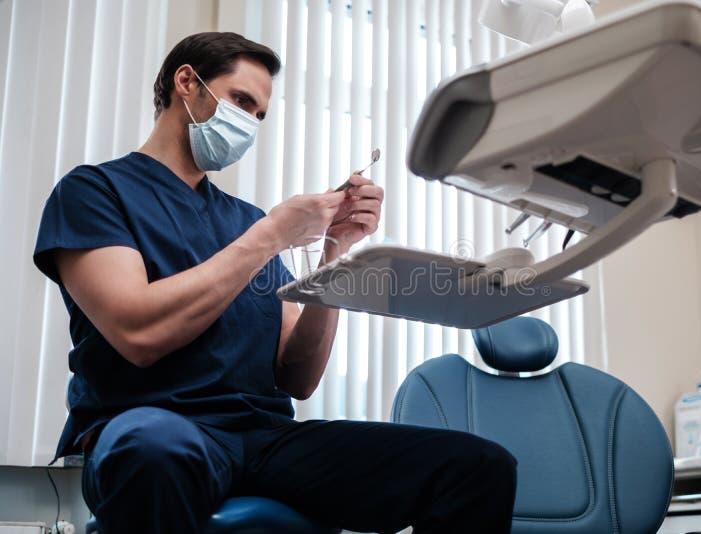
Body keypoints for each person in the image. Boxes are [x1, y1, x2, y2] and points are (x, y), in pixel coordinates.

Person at [33, 32, 517, 533]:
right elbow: (139, 335)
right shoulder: (94, 192)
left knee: (477, 467)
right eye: (241, 101)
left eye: (259, 115)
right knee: (151, 447)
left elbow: (297, 377)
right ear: (187, 82)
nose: (248, 123)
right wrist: (271, 235)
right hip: (154, 428)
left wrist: (334, 255)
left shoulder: (245, 220)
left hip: (263, 440)